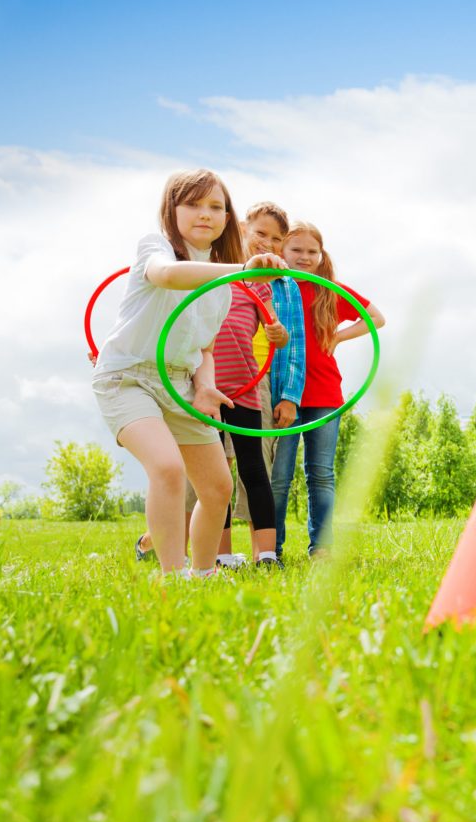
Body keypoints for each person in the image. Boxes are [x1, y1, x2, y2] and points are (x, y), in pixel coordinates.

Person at [91, 169, 284, 577]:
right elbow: (168, 276)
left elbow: (205, 346)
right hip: (126, 378)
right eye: (193, 204)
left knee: (217, 487)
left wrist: (206, 387)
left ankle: (202, 575)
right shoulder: (155, 246)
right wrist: (243, 270)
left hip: (180, 384)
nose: (205, 214)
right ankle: (172, 577)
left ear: (228, 218)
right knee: (167, 467)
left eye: (216, 207)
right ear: (171, 210)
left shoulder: (223, 283)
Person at [270, 221, 385, 559]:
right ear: (282, 252)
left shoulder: (329, 290)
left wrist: (338, 336)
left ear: (321, 256)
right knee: (279, 475)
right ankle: (270, 549)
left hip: (324, 394)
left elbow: (376, 317)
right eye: (297, 250)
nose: (304, 257)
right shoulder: (274, 287)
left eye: (312, 252)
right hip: (285, 393)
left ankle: (321, 546)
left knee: (320, 474)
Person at [208, 215, 291, 568]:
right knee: (216, 475)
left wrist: (278, 334)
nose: (266, 242)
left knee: (253, 468)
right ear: (242, 230)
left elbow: (277, 329)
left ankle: (268, 554)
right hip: (205, 388)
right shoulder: (210, 273)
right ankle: (222, 555)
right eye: (260, 234)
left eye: (276, 239)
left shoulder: (259, 285)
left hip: (244, 385)